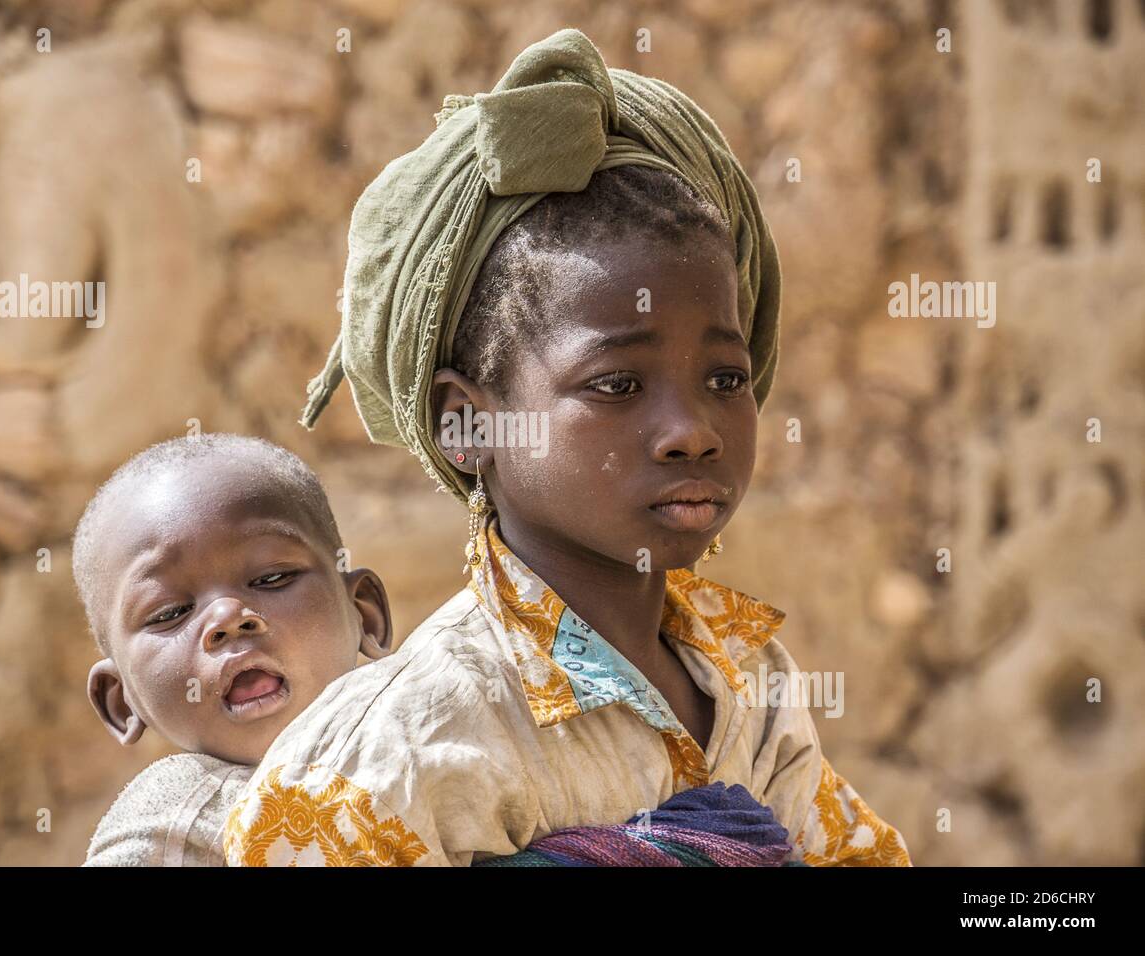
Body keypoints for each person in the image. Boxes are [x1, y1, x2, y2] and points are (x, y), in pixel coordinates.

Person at [224, 28, 911, 867]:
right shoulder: (391, 759)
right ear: (468, 423)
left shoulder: (747, 680)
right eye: (618, 385)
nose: (692, 430)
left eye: (726, 379)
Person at [74, 434, 391, 865]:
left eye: (271, 578)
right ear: (120, 700)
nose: (227, 617)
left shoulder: (449, 738)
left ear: (364, 614)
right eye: (171, 612)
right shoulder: (167, 829)